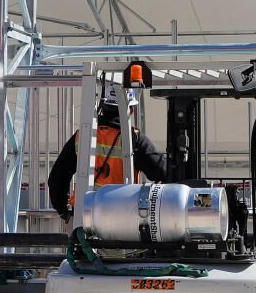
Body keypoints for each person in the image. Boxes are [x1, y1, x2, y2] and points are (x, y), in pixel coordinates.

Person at [47, 81, 169, 223]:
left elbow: (56, 179)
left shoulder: (82, 137)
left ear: (102, 106)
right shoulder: (134, 140)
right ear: (131, 109)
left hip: (84, 217)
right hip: (121, 218)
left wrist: (64, 211)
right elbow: (163, 172)